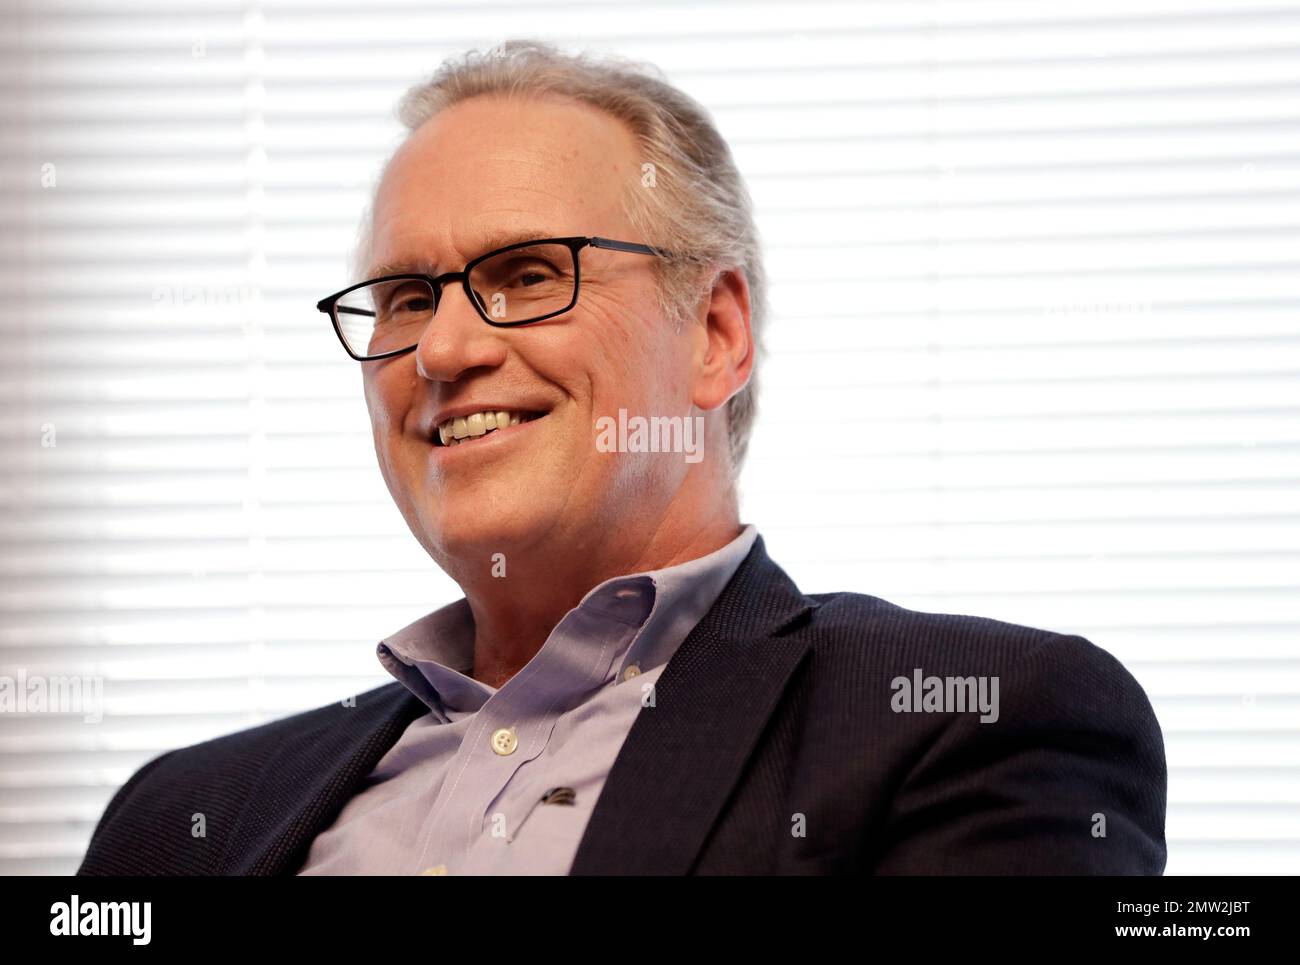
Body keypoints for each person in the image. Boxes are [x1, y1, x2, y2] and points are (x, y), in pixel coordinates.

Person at [77, 40, 1166, 876]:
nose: (446, 348)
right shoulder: (174, 816)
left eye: (527, 273)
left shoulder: (971, 720)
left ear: (714, 333)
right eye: (407, 297)